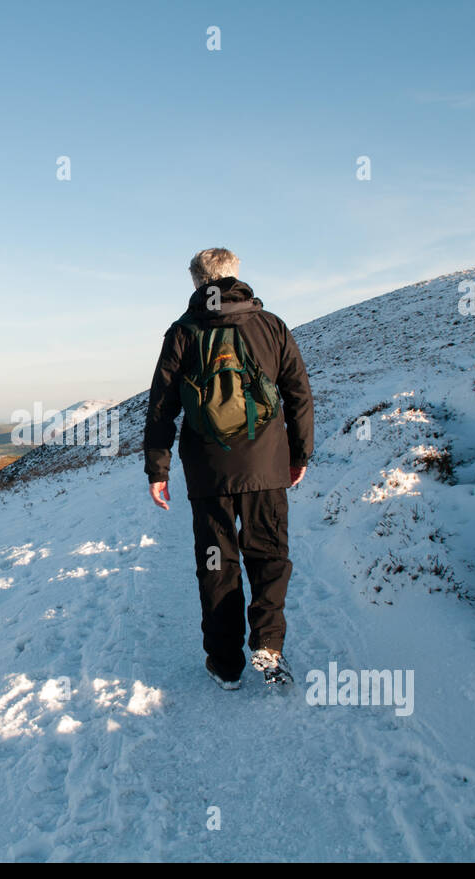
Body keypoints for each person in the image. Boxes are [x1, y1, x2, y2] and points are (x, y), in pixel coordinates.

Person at [143, 248, 314, 690]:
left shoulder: (182, 331)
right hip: (265, 465)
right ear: (236, 276)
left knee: (217, 563)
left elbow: (162, 407)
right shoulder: (271, 325)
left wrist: (157, 469)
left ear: (198, 281)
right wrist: (299, 455)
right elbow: (298, 394)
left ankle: (225, 664)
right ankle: (269, 646)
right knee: (268, 555)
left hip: (208, 470)